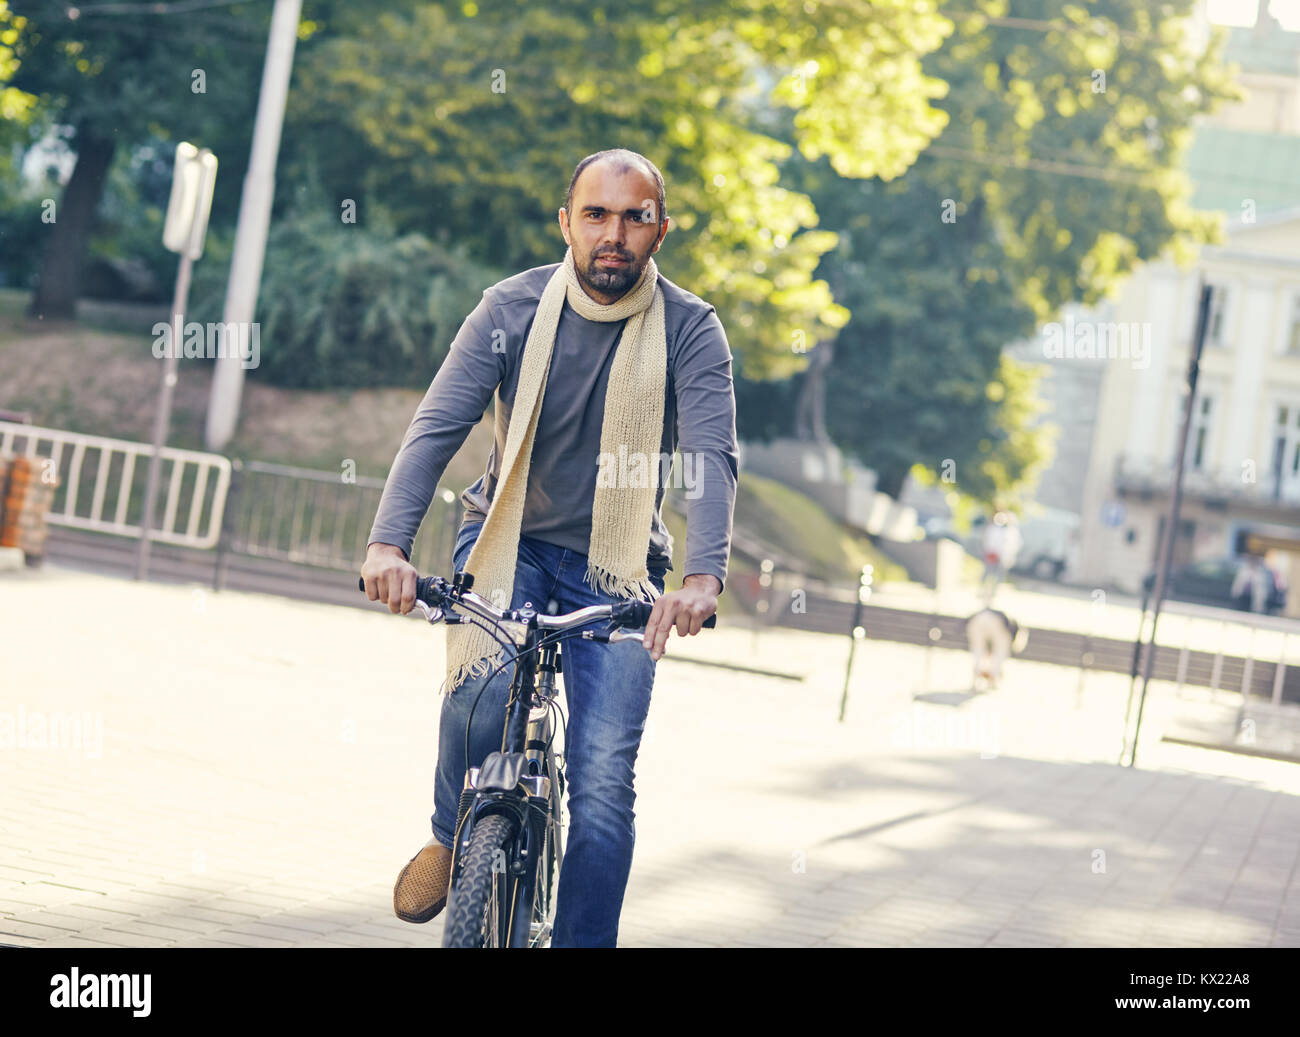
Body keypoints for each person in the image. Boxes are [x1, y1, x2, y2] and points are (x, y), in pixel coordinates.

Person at [359, 149, 738, 948]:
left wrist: (702, 577)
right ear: (565, 222)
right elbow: (438, 426)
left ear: (659, 231)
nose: (614, 233)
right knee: (481, 686)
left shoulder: (692, 330)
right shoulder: (510, 308)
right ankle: (451, 830)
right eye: (596, 214)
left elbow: (710, 458)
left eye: (636, 217)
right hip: (509, 540)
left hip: (624, 569)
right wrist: (389, 543)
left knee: (603, 783)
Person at [965, 607, 1026, 691]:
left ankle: (975, 682)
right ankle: (993, 681)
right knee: (1000, 652)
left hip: (977, 619)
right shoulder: (1012, 629)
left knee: (978, 652)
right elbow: (1002, 651)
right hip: (999, 622)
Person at [979, 511, 1021, 601]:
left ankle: (993, 592)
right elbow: (988, 541)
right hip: (992, 554)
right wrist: (988, 552)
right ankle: (983, 590)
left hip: (1003, 556)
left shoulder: (1012, 532)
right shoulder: (993, 529)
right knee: (988, 572)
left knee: (998, 575)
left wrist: (1009, 556)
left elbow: (1014, 545)